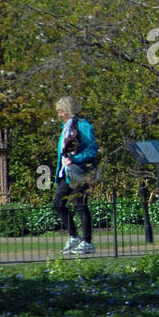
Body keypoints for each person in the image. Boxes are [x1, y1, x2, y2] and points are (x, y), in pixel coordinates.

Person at [53, 95, 98, 255]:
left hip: (81, 172)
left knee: (80, 205)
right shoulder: (66, 128)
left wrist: (75, 159)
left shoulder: (83, 126)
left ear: (68, 111)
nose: (59, 115)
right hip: (66, 173)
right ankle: (73, 236)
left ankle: (87, 242)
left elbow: (92, 149)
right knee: (58, 203)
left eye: (61, 111)